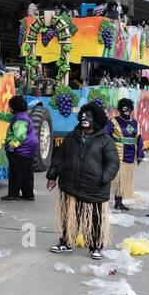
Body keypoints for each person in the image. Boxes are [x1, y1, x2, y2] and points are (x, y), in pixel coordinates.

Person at [45, 102, 119, 259]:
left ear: (97, 120)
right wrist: (52, 176)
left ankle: (95, 246)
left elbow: (113, 163)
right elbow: (59, 158)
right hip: (70, 186)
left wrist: (103, 178)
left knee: (95, 220)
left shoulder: (106, 140)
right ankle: (66, 242)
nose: (85, 118)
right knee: (69, 217)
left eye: (90, 116)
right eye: (84, 115)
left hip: (95, 189)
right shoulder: (72, 137)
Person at [0, 95, 38, 202]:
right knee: (27, 173)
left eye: (10, 106)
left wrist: (12, 145)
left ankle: (13, 194)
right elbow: (5, 116)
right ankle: (28, 194)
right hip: (30, 149)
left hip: (21, 150)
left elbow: (20, 135)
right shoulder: (21, 116)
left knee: (16, 172)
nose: (9, 108)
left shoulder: (19, 119)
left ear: (14, 107)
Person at [108, 97, 143, 211]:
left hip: (130, 156)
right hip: (117, 155)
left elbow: (139, 139)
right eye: (124, 108)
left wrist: (139, 154)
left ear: (131, 109)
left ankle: (120, 201)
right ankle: (117, 202)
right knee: (118, 179)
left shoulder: (135, 123)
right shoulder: (113, 121)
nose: (126, 110)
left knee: (125, 179)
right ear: (120, 109)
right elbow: (106, 137)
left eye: (128, 108)